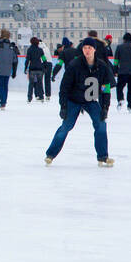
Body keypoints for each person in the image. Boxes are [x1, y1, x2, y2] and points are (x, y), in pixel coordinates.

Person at [45, 37, 115, 168]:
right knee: (66, 127)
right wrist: (63, 106)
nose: (87, 50)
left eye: (89, 48)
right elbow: (64, 87)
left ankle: (103, 156)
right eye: (84, 48)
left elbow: (105, 89)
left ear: (94, 49)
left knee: (101, 125)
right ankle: (50, 155)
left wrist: (105, 107)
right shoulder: (74, 65)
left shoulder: (102, 66)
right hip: (74, 100)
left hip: (90, 100)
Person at [113, 33, 131, 112]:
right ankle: (130, 104)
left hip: (122, 71)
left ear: (124, 39)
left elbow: (116, 60)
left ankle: (120, 99)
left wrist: (115, 70)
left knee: (120, 87)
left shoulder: (119, 47)